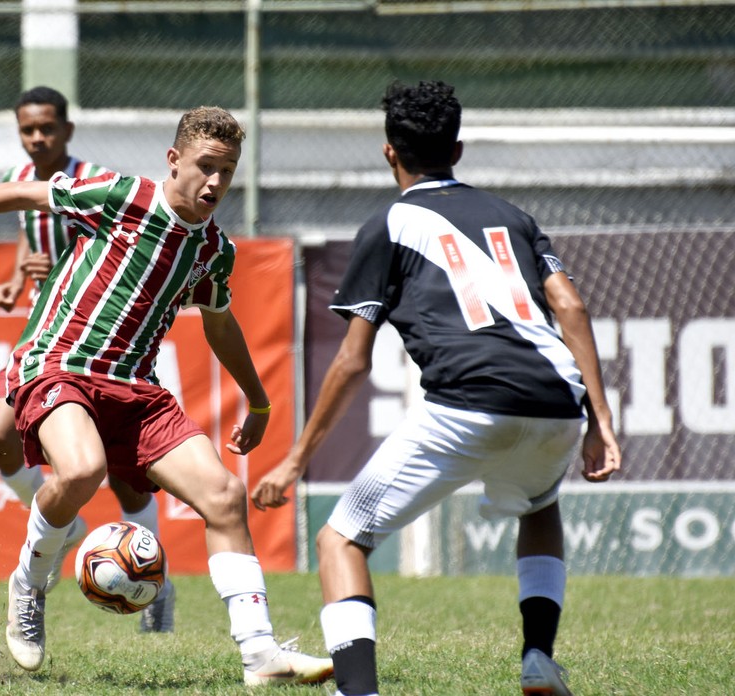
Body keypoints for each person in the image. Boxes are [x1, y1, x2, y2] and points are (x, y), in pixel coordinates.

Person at [0, 106, 333, 686]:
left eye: (227, 171)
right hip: (59, 364)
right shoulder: (123, 195)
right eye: (206, 167)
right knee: (82, 470)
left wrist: (258, 401)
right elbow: (28, 193)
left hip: (137, 388)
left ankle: (260, 654)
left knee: (226, 496)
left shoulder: (213, 250)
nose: (217, 183)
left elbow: (219, 323)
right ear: (173, 161)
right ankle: (27, 585)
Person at [250, 81, 623, 696]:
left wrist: (295, 461)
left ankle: (360, 691)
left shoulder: (391, 224)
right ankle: (537, 658)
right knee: (538, 505)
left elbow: (350, 362)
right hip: (559, 400)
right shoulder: (514, 217)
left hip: (467, 403)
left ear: (388, 152)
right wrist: (601, 420)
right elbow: (572, 306)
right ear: (458, 147)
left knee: (340, 538)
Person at [0, 85, 174, 631]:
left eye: (47, 127)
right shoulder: (18, 183)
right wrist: (16, 278)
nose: (37, 137)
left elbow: (109, 254)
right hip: (46, 336)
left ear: (67, 129)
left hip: (101, 344)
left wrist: (61, 264)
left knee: (125, 476)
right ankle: (64, 527)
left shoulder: (96, 183)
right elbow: (33, 242)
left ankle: (157, 585)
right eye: (28, 129)